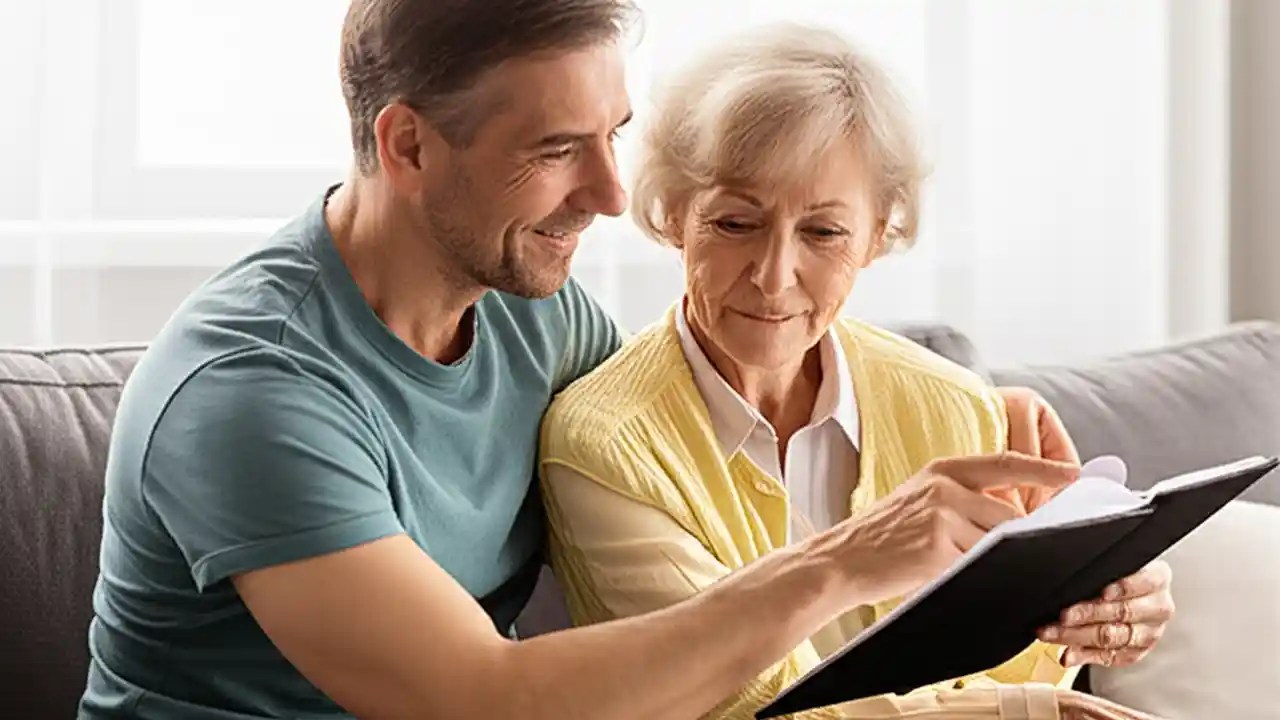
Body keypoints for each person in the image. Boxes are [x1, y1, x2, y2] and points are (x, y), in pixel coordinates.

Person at [77, 2, 1165, 719]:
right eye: (554, 151)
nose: (608, 195)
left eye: (613, 136)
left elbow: (697, 373)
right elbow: (479, 699)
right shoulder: (250, 393)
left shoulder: (529, 315)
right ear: (407, 146)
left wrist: (1002, 439)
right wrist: (845, 557)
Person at [539, 22, 1174, 720]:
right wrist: (1026, 710)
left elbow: (1014, 666)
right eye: (734, 224)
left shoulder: (956, 406)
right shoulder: (604, 444)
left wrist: (1084, 608)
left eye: (823, 232)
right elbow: (740, 704)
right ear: (672, 216)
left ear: (878, 234)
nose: (774, 278)